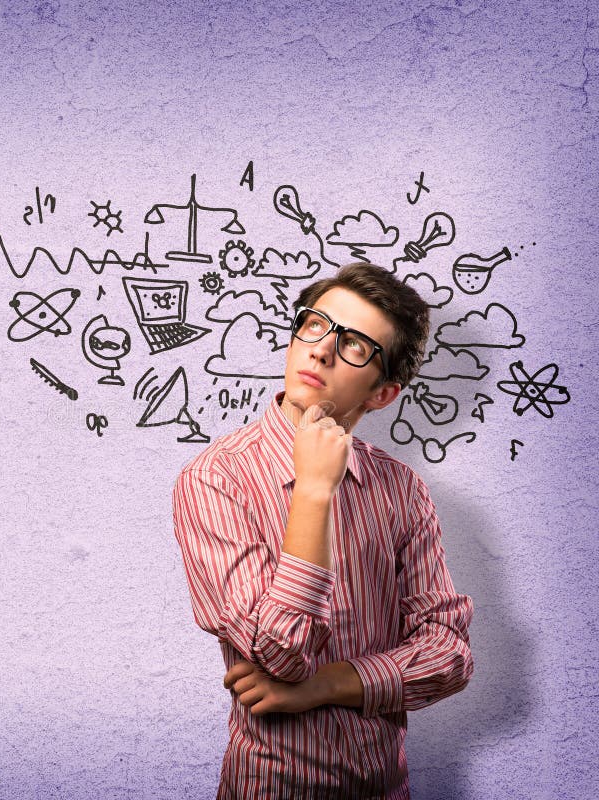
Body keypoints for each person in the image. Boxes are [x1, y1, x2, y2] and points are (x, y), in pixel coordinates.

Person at [172, 263, 474, 799]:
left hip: (388, 788)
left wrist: (326, 686)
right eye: (316, 325)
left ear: (382, 394)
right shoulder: (216, 479)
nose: (322, 350)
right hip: (275, 788)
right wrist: (313, 493)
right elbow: (280, 656)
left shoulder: (402, 489)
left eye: (355, 345)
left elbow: (448, 655)